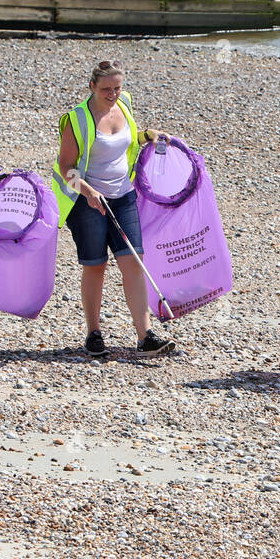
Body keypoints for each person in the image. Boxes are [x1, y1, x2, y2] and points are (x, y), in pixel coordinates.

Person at [52, 60, 176, 358]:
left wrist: (150, 135)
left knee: (133, 260)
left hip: (123, 196)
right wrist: (88, 190)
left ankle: (145, 336)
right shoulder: (76, 119)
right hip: (87, 201)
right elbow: (65, 166)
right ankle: (94, 333)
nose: (113, 94)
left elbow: (130, 138)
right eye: (106, 89)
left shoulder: (125, 104)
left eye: (117, 88)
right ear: (92, 86)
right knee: (95, 264)